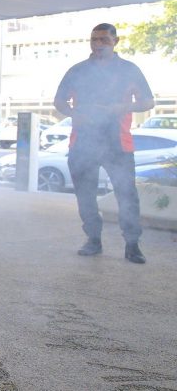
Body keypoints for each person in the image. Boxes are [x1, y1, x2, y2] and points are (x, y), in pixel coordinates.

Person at [54, 23, 154, 264]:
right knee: (85, 196)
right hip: (82, 143)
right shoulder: (77, 70)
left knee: (127, 196)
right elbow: (59, 102)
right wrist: (74, 113)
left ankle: (132, 244)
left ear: (116, 41)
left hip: (118, 143)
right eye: (94, 40)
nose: (98, 44)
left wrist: (124, 107)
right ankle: (93, 240)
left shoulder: (129, 70)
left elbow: (148, 102)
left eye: (104, 40)